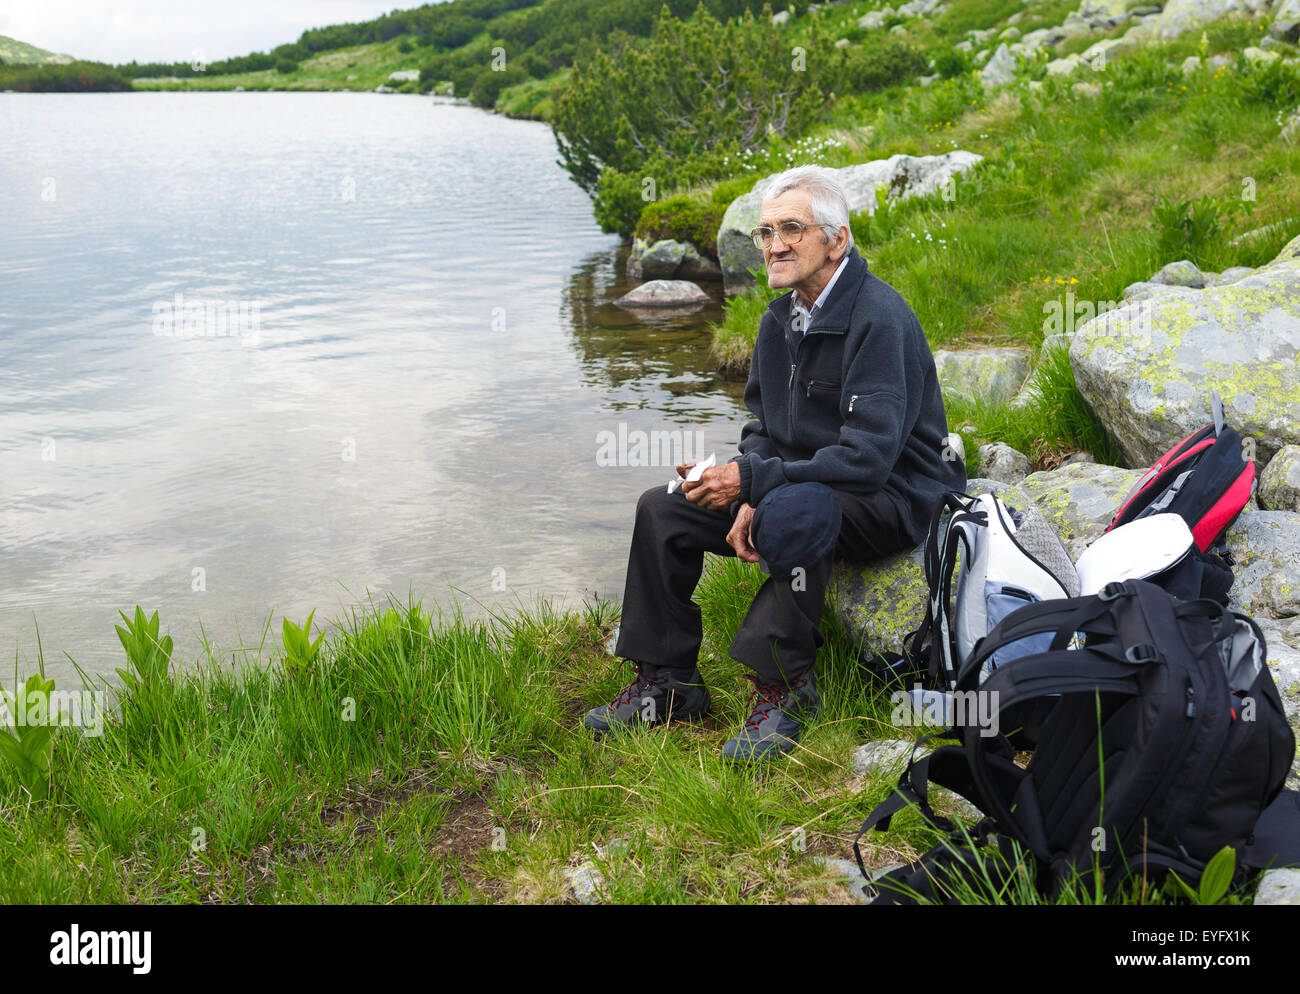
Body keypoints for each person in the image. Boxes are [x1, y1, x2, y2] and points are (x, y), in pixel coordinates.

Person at [584, 164, 966, 760]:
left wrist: (759, 486)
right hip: (803, 485)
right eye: (765, 232)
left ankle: (784, 688)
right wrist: (749, 487)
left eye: (792, 228)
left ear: (836, 240)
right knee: (664, 508)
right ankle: (666, 684)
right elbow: (763, 429)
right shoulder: (777, 319)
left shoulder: (880, 318)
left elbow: (866, 459)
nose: (773, 244)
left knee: (794, 508)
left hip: (890, 496)